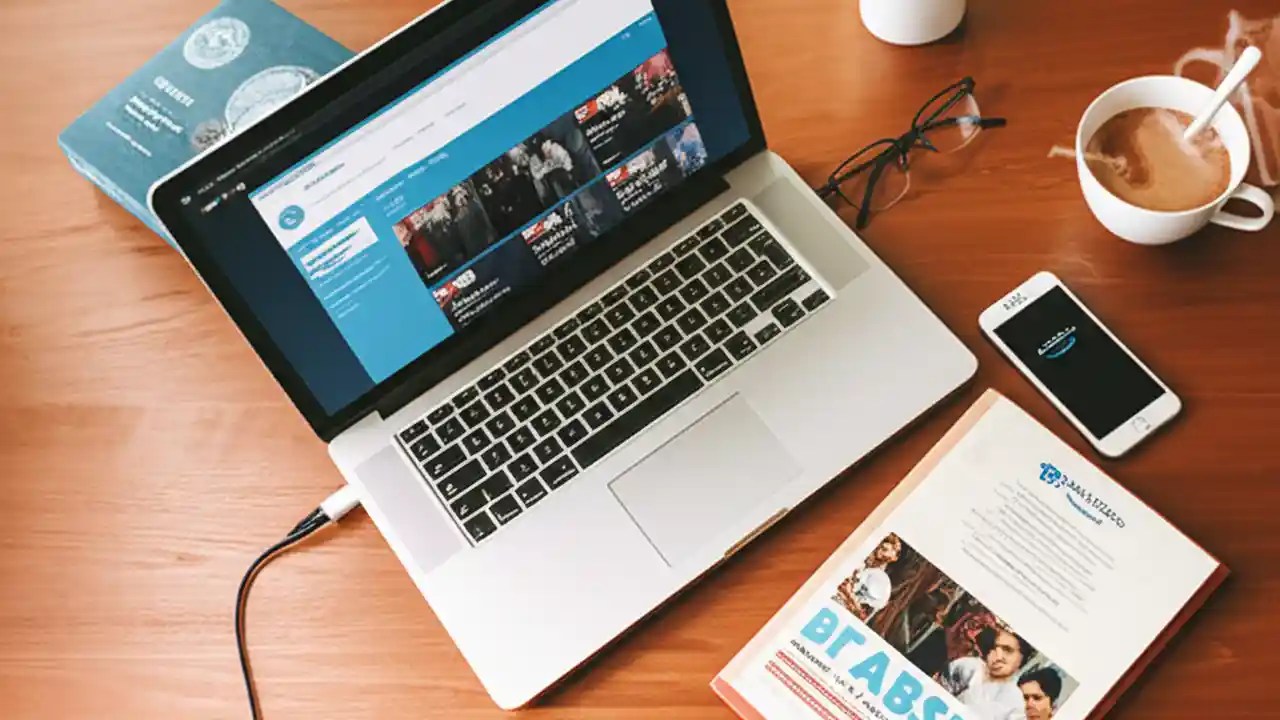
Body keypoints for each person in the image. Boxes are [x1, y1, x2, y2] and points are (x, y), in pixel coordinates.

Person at [938, 627, 1035, 720]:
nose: (999, 654)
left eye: (1008, 650)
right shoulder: (968, 666)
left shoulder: (1019, 703)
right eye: (997, 647)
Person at [834, 534, 901, 621]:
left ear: (894, 557)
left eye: (885, 550)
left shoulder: (879, 580)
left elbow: (864, 613)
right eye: (880, 547)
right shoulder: (862, 562)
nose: (880, 552)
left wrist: (851, 598)